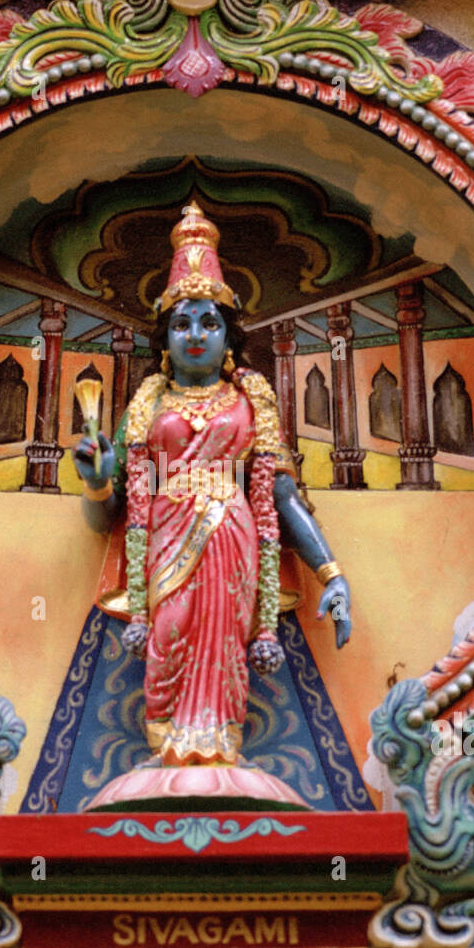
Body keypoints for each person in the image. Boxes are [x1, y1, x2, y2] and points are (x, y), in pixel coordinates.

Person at [73, 201, 351, 809]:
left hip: (233, 536)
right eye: (182, 324)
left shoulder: (250, 396)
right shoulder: (148, 401)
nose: (195, 334)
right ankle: (168, 752)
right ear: (164, 340)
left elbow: (279, 491)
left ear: (228, 336)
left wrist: (329, 570)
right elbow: (107, 516)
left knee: (224, 646)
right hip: (164, 535)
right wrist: (97, 480)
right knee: (169, 635)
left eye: (208, 322)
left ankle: (221, 749)